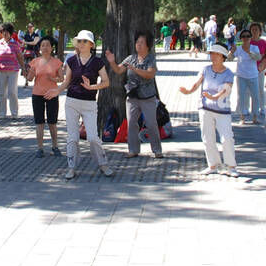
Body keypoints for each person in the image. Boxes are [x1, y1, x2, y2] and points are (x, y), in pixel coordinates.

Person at [180, 43, 241, 177]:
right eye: (212, 54)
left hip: (222, 111)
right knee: (207, 137)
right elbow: (196, 83)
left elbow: (226, 89)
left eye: (216, 54)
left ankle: (231, 166)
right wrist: (188, 91)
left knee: (227, 138)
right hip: (205, 108)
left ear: (223, 56)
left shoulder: (228, 73)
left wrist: (214, 97)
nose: (213, 56)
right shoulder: (205, 69)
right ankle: (213, 165)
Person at [59, 30, 111, 179]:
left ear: (91, 45)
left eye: (84, 41)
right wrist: (57, 90)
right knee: (73, 137)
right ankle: (71, 167)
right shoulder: (71, 60)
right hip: (72, 102)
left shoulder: (98, 62)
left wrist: (92, 87)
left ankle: (103, 164)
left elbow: (106, 82)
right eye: (79, 41)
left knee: (93, 137)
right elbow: (67, 82)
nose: (81, 44)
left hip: (89, 104)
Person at [107, 31, 165, 159]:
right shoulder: (130, 58)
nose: (138, 45)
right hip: (132, 96)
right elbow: (118, 70)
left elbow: (150, 74)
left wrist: (135, 69)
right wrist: (112, 62)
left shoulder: (150, 59)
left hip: (147, 97)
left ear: (148, 45)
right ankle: (133, 150)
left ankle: (157, 150)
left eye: (142, 42)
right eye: (137, 42)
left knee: (151, 123)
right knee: (131, 122)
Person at [24, 36, 65, 157]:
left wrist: (53, 79)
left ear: (52, 48)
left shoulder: (57, 62)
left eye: (48, 45)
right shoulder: (35, 61)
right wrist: (28, 73)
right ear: (40, 48)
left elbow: (62, 79)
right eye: (43, 45)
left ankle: (55, 146)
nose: (45, 47)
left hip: (52, 94)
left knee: (52, 122)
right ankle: (40, 148)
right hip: (37, 94)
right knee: (39, 122)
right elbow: (30, 79)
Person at [0, 23, 23, 119]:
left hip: (13, 71)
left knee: (12, 92)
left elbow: (20, 57)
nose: (5, 34)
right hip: (1, 71)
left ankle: (14, 113)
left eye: (7, 32)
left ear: (11, 33)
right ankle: (2, 113)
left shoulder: (15, 44)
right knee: (2, 93)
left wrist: (24, 68)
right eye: (3, 32)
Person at [233, 28, 262, 124]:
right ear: (241, 38)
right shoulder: (238, 48)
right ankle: (242, 117)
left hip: (253, 75)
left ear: (251, 38)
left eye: (248, 36)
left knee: (255, 96)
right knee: (241, 97)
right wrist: (231, 51)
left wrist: (250, 52)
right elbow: (230, 58)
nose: (246, 38)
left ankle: (255, 116)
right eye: (244, 36)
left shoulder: (254, 47)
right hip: (241, 75)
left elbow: (258, 57)